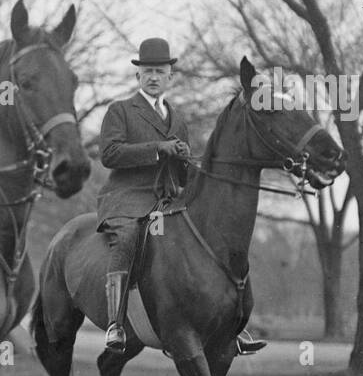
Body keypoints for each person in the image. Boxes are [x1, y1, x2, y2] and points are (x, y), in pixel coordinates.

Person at [95, 38, 265, 355]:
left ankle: (229, 328)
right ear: (138, 76)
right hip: (128, 198)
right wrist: (159, 149)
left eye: (160, 71)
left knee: (212, 238)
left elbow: (183, 176)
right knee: (132, 234)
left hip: (168, 199)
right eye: (148, 71)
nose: (154, 77)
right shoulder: (120, 111)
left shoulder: (178, 118)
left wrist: (186, 159)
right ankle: (116, 323)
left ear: (170, 76)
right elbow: (110, 153)